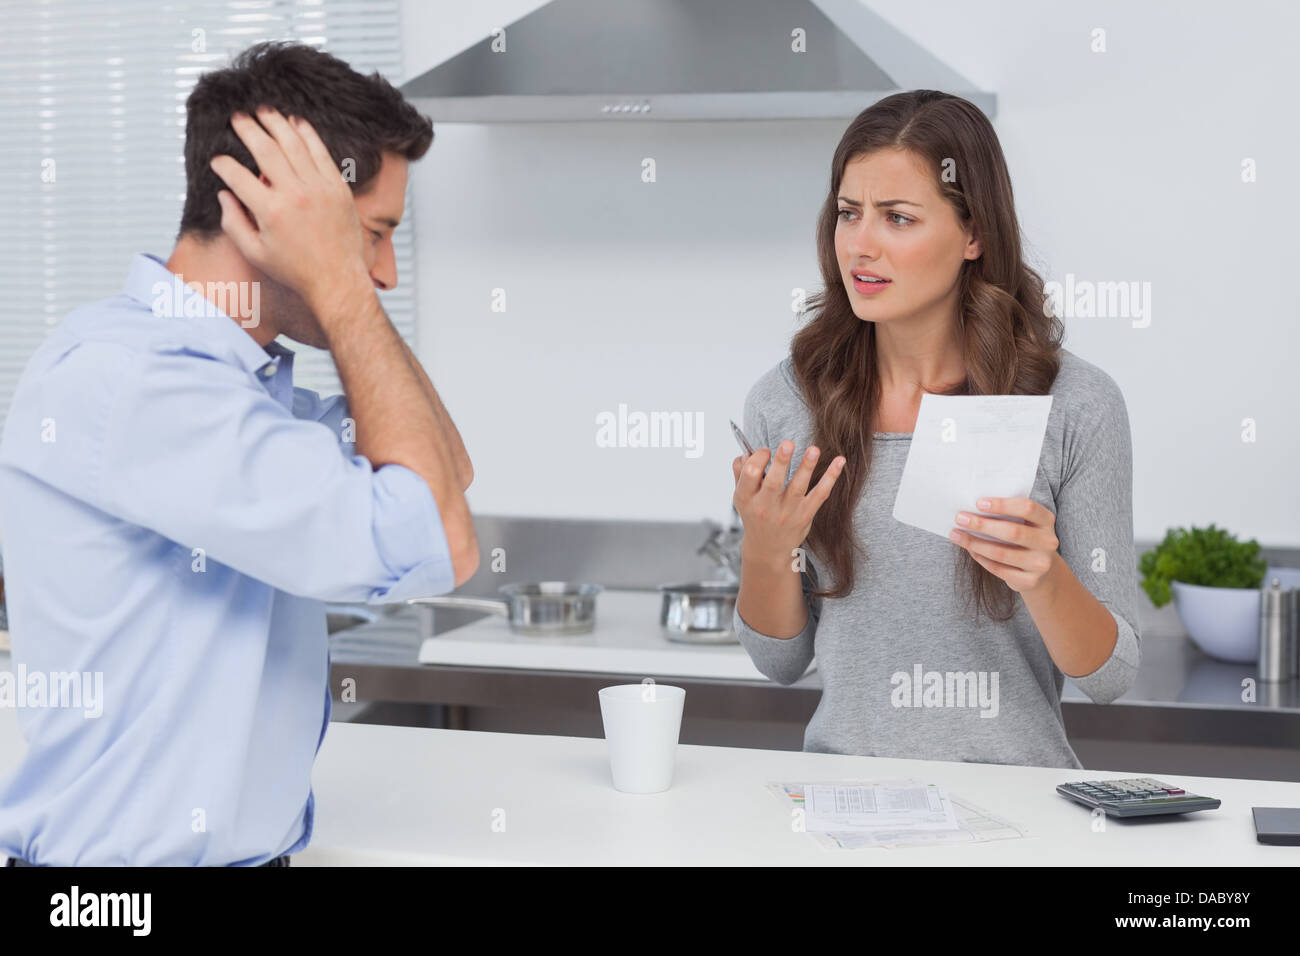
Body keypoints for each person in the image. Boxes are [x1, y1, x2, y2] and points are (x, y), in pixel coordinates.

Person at [0, 41, 478, 865]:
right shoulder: (139, 381)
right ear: (263, 218)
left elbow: (445, 481)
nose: (385, 274)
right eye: (372, 234)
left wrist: (340, 280)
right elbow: (435, 535)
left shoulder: (242, 386)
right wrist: (336, 282)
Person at [730, 90, 1140, 769]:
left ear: (972, 233)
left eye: (897, 218)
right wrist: (767, 550)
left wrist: (1045, 577)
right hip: (844, 802)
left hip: (1019, 806)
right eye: (848, 213)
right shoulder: (787, 402)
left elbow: (1111, 674)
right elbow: (780, 661)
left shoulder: (1075, 405)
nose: (860, 245)